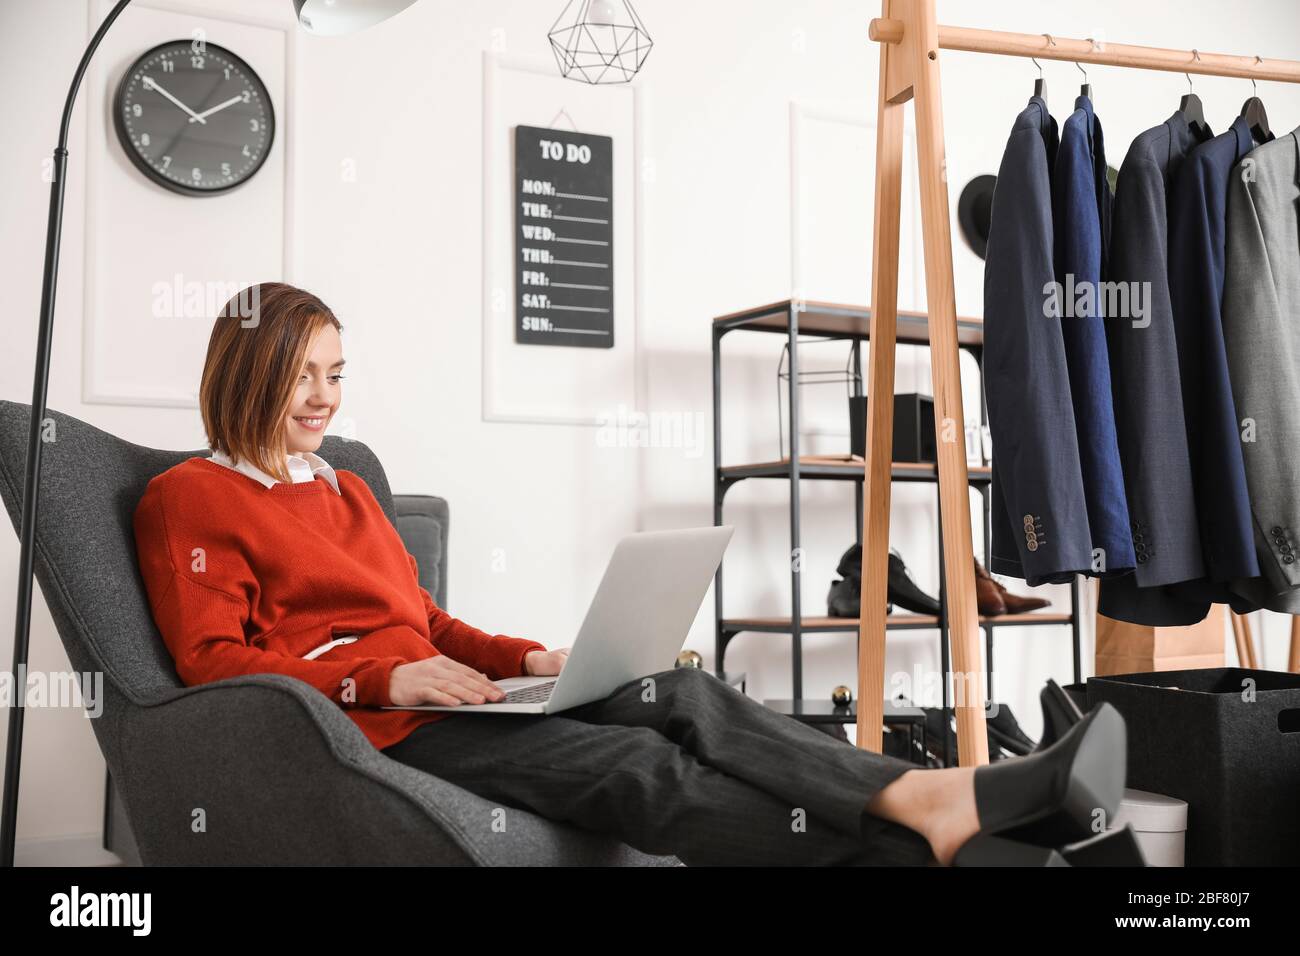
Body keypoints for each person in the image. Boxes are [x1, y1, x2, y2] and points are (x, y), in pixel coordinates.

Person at [132, 282, 1129, 867]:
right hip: (378, 728)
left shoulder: (346, 486)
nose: (323, 396)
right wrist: (375, 678)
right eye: (303, 373)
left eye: (337, 372)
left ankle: (939, 803)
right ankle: (950, 827)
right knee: (636, 767)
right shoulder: (189, 498)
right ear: (248, 371)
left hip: (457, 695)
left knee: (684, 688)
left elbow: (424, 619)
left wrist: (535, 657)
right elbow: (211, 664)